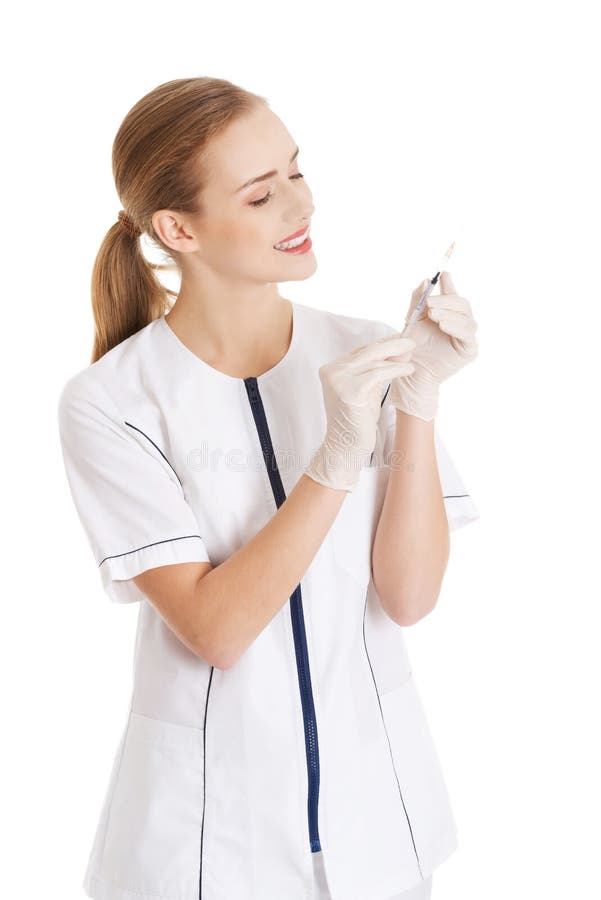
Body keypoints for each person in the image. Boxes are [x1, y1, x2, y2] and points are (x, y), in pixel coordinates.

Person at [57, 76, 480, 900]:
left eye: (295, 170)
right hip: (209, 841)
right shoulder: (112, 402)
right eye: (260, 194)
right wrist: (335, 458)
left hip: (377, 821)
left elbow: (408, 595)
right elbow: (216, 629)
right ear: (178, 229)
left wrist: (419, 399)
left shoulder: (366, 353)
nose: (301, 203)